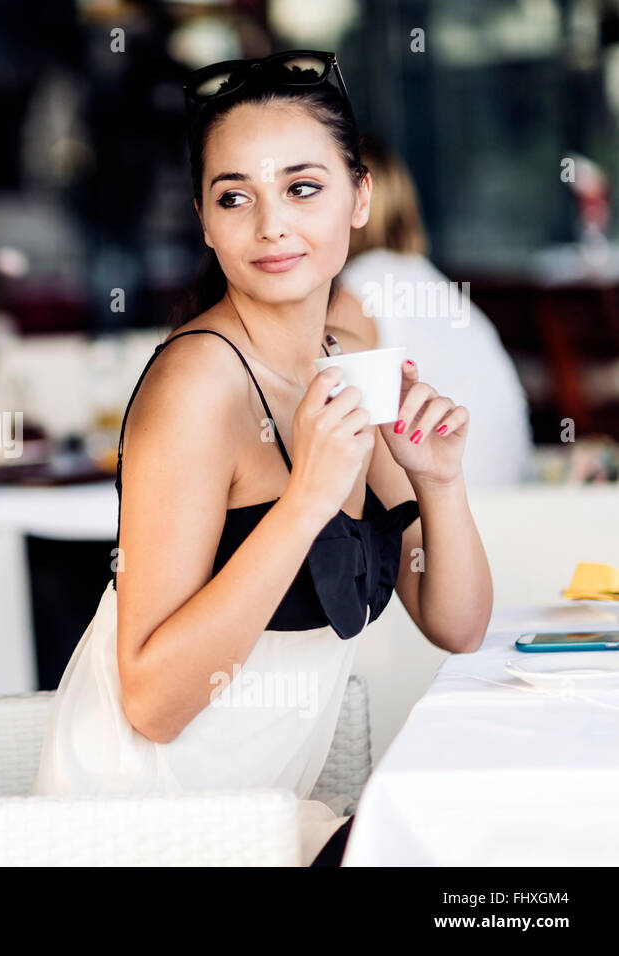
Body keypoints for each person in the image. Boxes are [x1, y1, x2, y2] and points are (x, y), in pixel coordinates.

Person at [30, 52, 494, 866]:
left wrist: (439, 481)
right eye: (234, 196)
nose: (270, 224)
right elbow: (153, 703)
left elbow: (455, 624)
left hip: (259, 820)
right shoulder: (197, 385)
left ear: (361, 198)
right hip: (141, 828)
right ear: (207, 225)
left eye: (303, 188)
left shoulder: (346, 354)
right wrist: (307, 500)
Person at [329, 134, 534, 486]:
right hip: (508, 485)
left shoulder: (355, 291)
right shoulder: (425, 278)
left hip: (460, 502)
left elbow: (341, 422)